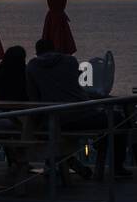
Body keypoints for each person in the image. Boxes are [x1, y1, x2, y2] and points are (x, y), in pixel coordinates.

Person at [26, 39, 130, 178]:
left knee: (54, 135)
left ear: (37, 52)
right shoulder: (70, 61)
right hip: (81, 116)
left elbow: (34, 97)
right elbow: (73, 88)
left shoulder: (32, 67)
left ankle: (67, 161)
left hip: (54, 121)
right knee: (118, 119)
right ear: (55, 48)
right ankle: (116, 166)